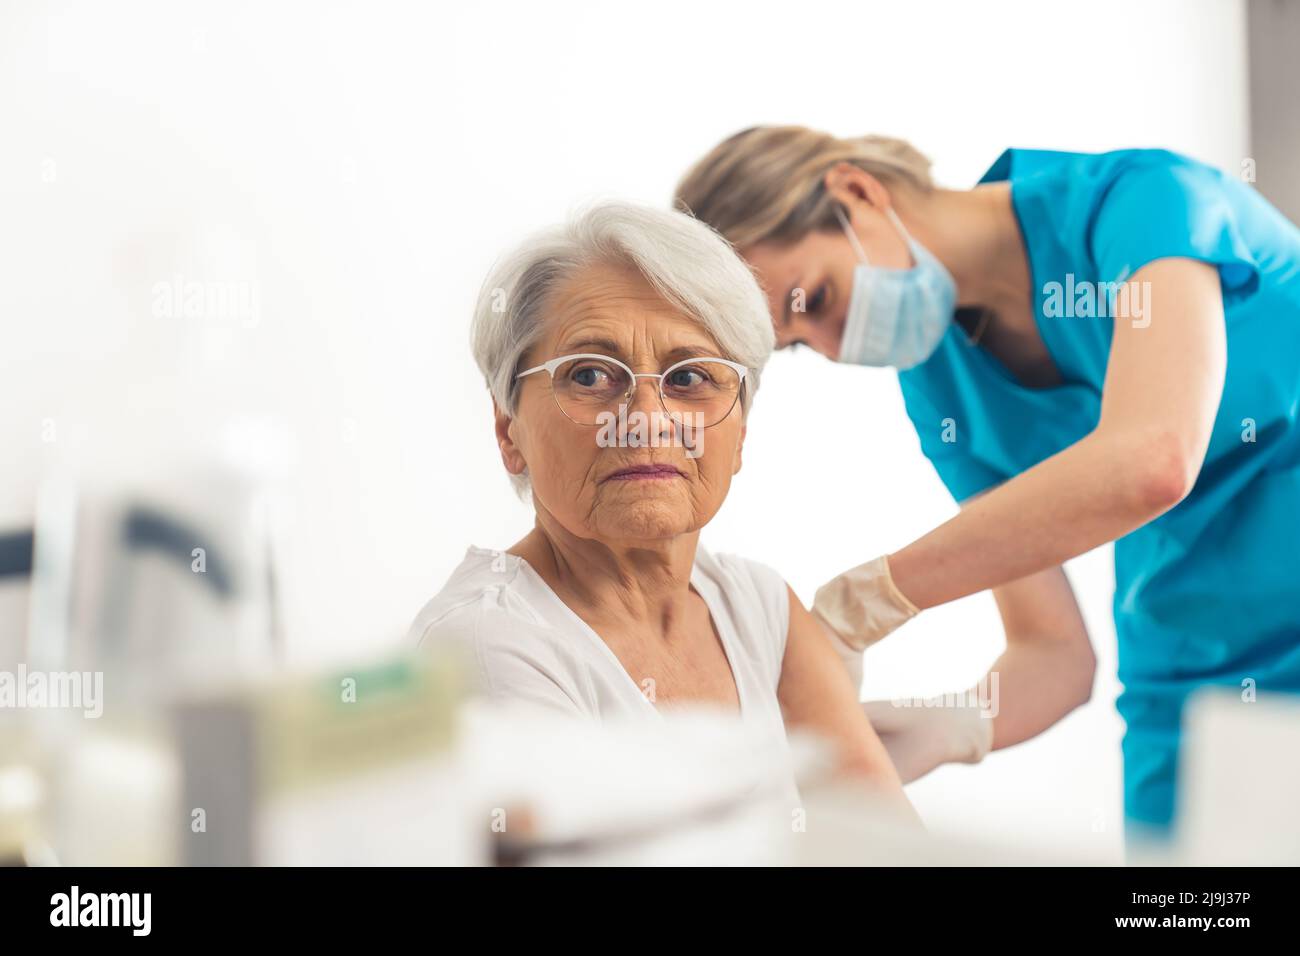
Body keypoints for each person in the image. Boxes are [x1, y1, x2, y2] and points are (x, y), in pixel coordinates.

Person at [675, 125, 1300, 841]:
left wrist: (867, 599)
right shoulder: (942, 389)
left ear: (855, 191)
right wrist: (952, 726)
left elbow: (1153, 460)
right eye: (798, 347)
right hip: (1191, 671)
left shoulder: (1143, 204)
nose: (832, 347)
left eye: (813, 300)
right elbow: (1055, 655)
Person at [409, 201, 915, 819]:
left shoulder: (757, 605)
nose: (647, 419)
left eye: (690, 377)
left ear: (742, 432)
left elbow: (890, 842)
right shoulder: (486, 647)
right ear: (508, 430)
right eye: (591, 376)